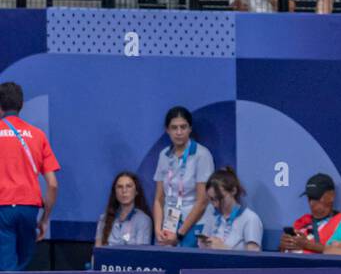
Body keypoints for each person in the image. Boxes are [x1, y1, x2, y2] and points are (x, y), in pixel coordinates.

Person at [0, 81, 60, 271]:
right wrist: (44, 219)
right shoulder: (38, 136)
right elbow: (52, 185)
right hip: (29, 209)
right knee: (20, 266)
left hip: (2, 208)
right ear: (21, 104)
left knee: (7, 268)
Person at [153, 105, 215, 247]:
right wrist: (157, 229)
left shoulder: (201, 154)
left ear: (190, 128)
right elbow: (158, 198)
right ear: (167, 130)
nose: (179, 132)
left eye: (183, 127)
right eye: (174, 128)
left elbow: (202, 201)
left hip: (195, 224)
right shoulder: (164, 155)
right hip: (169, 225)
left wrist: (179, 234)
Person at [278, 172, 341, 254]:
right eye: (310, 197)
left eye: (316, 197)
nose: (312, 202)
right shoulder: (302, 222)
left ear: (331, 196)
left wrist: (308, 245)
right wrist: (284, 246)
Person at [197, 167, 263, 250]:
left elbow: (253, 259)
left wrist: (223, 248)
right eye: (212, 199)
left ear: (233, 191)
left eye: (220, 198)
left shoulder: (250, 219)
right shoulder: (212, 218)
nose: (216, 204)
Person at [95, 170, 153, 247]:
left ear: (136, 191)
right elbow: (97, 253)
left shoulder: (143, 220)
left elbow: (141, 255)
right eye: (120, 187)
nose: (124, 191)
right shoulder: (104, 219)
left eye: (128, 186)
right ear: (115, 192)